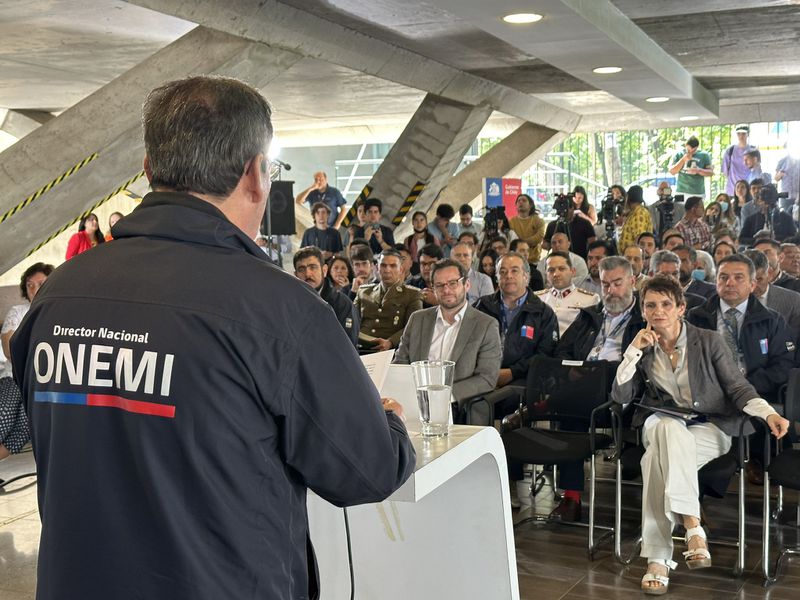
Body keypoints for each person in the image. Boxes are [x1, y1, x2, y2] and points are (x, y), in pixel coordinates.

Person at [10, 76, 416, 600]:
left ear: (150, 170)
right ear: (256, 174)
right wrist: (388, 423)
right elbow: (367, 472)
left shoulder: (57, 296)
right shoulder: (280, 309)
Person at [612, 275, 789, 595]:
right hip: (659, 421)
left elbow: (737, 387)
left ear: (681, 308)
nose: (658, 311)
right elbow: (621, 396)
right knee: (666, 427)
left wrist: (769, 413)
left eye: (666, 304)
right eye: (650, 305)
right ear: (642, 311)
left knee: (655, 462)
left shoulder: (708, 341)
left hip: (711, 426)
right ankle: (692, 525)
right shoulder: (641, 345)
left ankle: (657, 560)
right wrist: (632, 353)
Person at [553, 256, 645, 520]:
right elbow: (562, 350)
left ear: (633, 281)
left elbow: (644, 362)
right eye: (605, 284)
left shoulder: (643, 318)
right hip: (583, 385)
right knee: (569, 407)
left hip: (621, 392)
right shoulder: (590, 316)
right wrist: (572, 368)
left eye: (617, 283)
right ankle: (571, 496)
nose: (611, 291)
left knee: (569, 404)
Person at [393, 258, 501, 411]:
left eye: (453, 283)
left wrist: (443, 397)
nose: (446, 290)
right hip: (414, 403)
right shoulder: (417, 319)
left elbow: (487, 378)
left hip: (459, 407)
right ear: (433, 289)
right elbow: (400, 365)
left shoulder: (486, 325)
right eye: (440, 285)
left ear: (466, 285)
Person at [475, 252, 558, 410]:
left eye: (514, 271)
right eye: (503, 272)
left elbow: (545, 355)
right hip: (483, 373)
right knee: (465, 396)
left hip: (522, 377)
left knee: (507, 400)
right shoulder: (482, 306)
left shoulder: (543, 313)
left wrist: (512, 372)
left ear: (526, 277)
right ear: (496, 278)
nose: (508, 276)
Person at [0, 263, 54, 461]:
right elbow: (9, 350)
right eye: (29, 285)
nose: (34, 289)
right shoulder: (18, 312)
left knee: (25, 426)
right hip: (15, 378)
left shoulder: (58, 311)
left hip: (41, 384)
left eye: (40, 283)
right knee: (4, 417)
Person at [355, 248, 423, 351]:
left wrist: (391, 342)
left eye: (393, 266)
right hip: (360, 348)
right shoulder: (364, 292)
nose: (387, 270)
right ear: (377, 268)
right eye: (383, 265)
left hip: (392, 351)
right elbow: (351, 320)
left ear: (401, 269)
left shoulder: (412, 294)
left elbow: (414, 326)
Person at [294, 246, 359, 346]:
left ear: (324, 271)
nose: (308, 274)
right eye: (301, 269)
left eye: (313, 267)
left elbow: (347, 347)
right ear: (295, 275)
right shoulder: (290, 303)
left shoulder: (342, 304)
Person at [741, 248, 800, 343]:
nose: (754, 287)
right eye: (749, 281)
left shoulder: (792, 301)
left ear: (769, 273)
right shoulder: (730, 299)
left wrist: (786, 355)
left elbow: (792, 342)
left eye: (759, 279)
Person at [535, 251, 599, 336]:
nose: (556, 274)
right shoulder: (536, 298)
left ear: (572, 271)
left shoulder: (590, 299)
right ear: (546, 274)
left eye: (561, 269)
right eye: (551, 270)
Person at [508, 193, 546, 263]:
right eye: (518, 201)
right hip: (516, 260)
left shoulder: (538, 221)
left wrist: (520, 243)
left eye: (524, 200)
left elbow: (539, 238)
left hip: (534, 261)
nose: (521, 202)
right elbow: (511, 241)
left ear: (530, 205)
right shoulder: (511, 222)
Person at [722, 124, 757, 195]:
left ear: (748, 134)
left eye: (743, 134)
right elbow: (725, 171)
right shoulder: (730, 151)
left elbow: (756, 168)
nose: (741, 136)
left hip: (749, 189)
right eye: (739, 134)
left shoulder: (753, 150)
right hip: (732, 189)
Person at [618, 185, 653, 252]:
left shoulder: (639, 213)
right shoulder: (634, 212)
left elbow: (640, 238)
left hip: (633, 256)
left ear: (628, 198)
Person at [408, 243, 444, 307]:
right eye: (423, 264)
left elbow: (461, 311)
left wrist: (437, 302)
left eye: (431, 263)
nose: (426, 268)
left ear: (441, 263)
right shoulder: (411, 285)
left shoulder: (451, 283)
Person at [775, 144, 800, 213]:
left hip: (798, 196)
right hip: (786, 197)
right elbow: (776, 178)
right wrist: (781, 173)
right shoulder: (782, 161)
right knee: (786, 218)